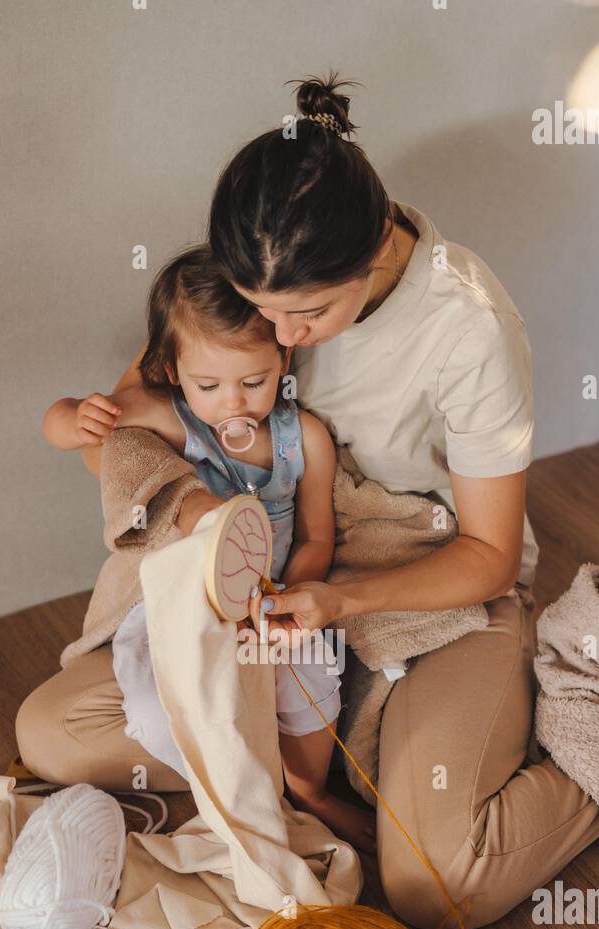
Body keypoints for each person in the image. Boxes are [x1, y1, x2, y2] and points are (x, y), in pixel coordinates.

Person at [18, 73, 599, 929]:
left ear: (372, 255)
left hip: (424, 578)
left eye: (308, 317)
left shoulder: (467, 327)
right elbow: (129, 438)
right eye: (262, 315)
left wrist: (335, 598)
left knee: (432, 887)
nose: (281, 345)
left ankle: (598, 749)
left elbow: (485, 553)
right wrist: (203, 524)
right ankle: (325, 764)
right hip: (269, 573)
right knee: (57, 734)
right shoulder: (253, 268)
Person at [41, 245, 375, 850]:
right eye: (209, 384)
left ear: (285, 356)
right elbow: (67, 425)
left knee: (314, 674)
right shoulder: (173, 420)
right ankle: (229, 784)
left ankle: (310, 792)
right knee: (152, 700)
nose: (234, 402)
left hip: (266, 599)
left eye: (255, 381)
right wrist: (73, 418)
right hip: (176, 602)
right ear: (172, 371)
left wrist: (290, 595)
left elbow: (317, 535)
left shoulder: (303, 439)